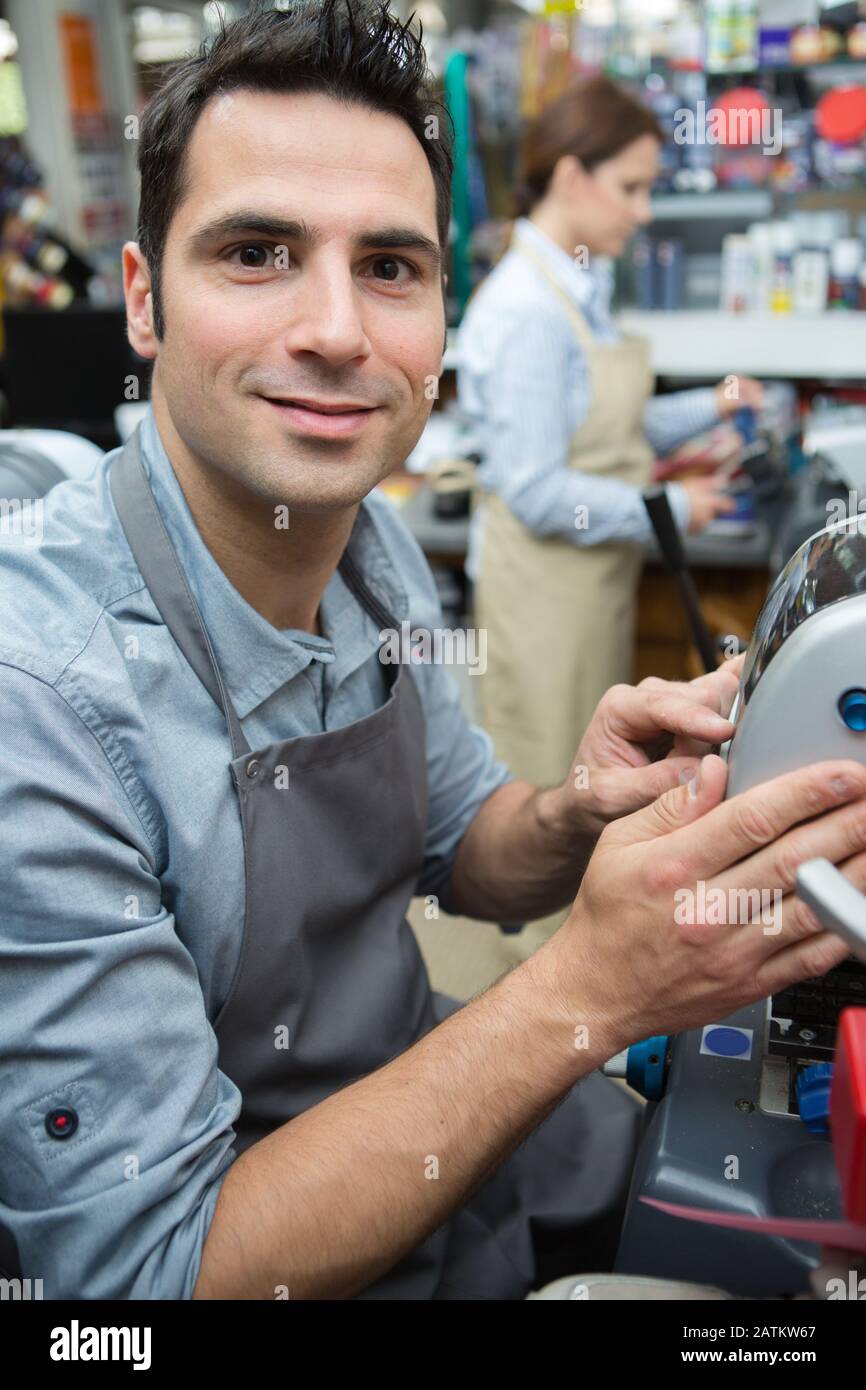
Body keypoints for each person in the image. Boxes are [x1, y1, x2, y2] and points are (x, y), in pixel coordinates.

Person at [0, 0, 864, 1302]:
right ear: (141, 299)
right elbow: (150, 1275)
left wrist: (575, 809)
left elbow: (464, 854)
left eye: (391, 268)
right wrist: (587, 990)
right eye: (256, 252)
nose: (338, 332)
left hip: (470, 1146)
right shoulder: (37, 698)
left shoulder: (368, 546)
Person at [459, 75, 764, 792]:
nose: (644, 210)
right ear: (571, 176)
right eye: (631, 188)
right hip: (542, 601)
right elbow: (536, 491)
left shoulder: (579, 287)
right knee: (548, 794)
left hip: (592, 587)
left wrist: (714, 403)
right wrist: (677, 509)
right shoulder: (526, 308)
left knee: (593, 782)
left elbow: (611, 422)